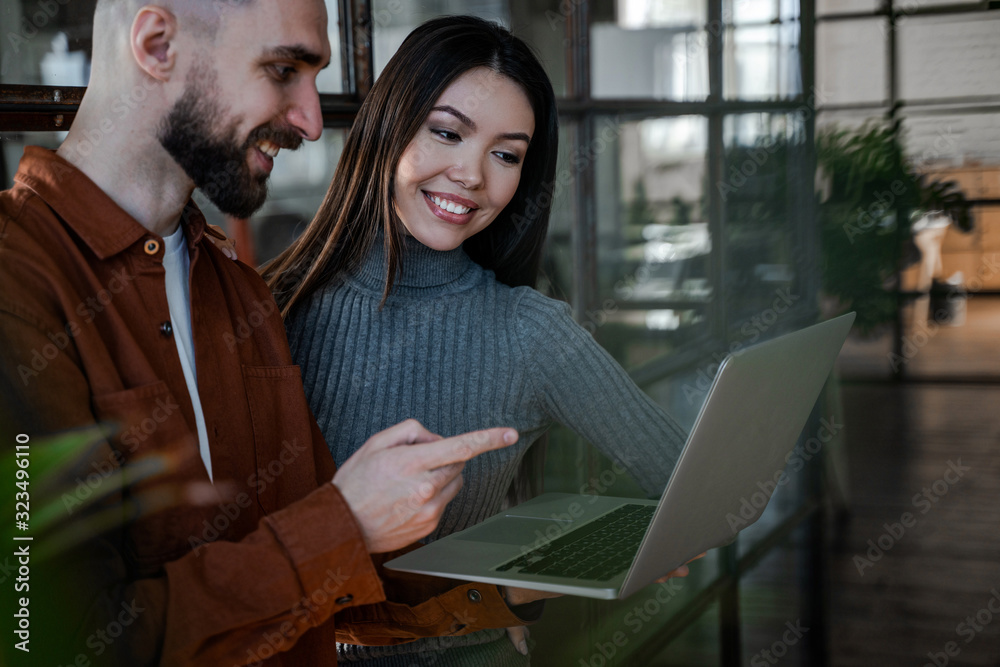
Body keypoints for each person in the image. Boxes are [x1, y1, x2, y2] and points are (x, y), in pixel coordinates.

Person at [0, 2, 539, 665]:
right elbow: (58, 644)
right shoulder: (17, 289)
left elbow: (312, 582)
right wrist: (344, 520)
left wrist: (516, 586)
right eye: (283, 69)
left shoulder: (238, 288)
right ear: (158, 43)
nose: (311, 122)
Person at [264, 16, 691, 666]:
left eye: (506, 154)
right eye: (446, 132)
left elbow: (688, 485)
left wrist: (561, 568)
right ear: (389, 126)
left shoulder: (530, 329)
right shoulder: (273, 306)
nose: (471, 174)